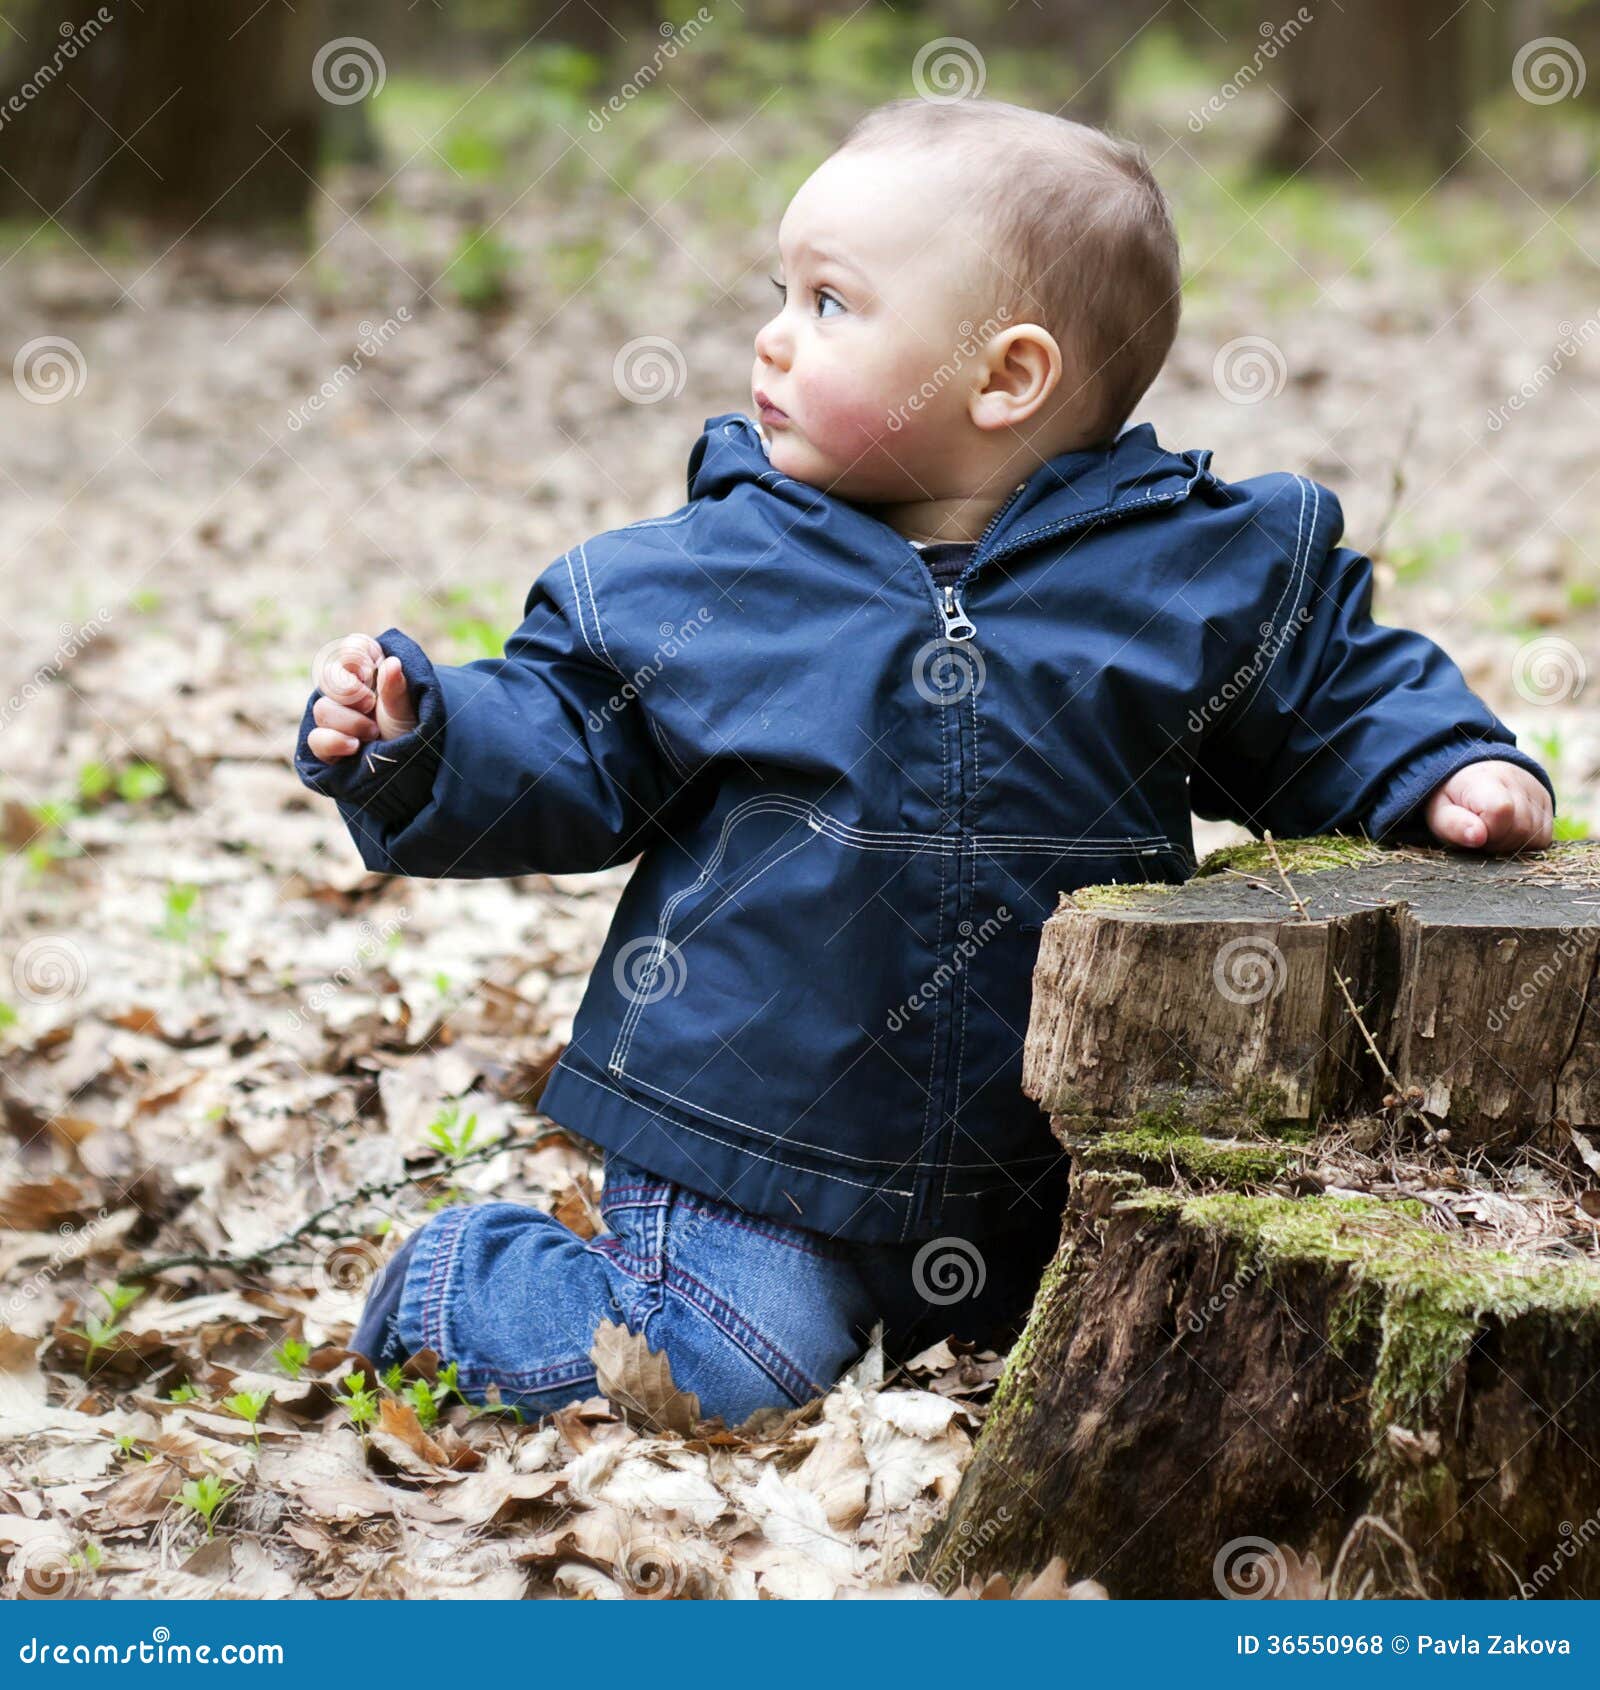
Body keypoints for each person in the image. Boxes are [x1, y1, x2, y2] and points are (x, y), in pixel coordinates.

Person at [294, 97, 1554, 1426]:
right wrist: (424, 741)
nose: (773, 336)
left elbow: (1324, 689)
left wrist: (1439, 759)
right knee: (728, 1375)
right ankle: (451, 1287)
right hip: (760, 1148)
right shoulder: (712, 576)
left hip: (1053, 1153)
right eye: (781, 292)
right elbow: (568, 736)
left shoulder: (1191, 574)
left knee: (1140, 1385)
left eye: (831, 304)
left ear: (1007, 376)